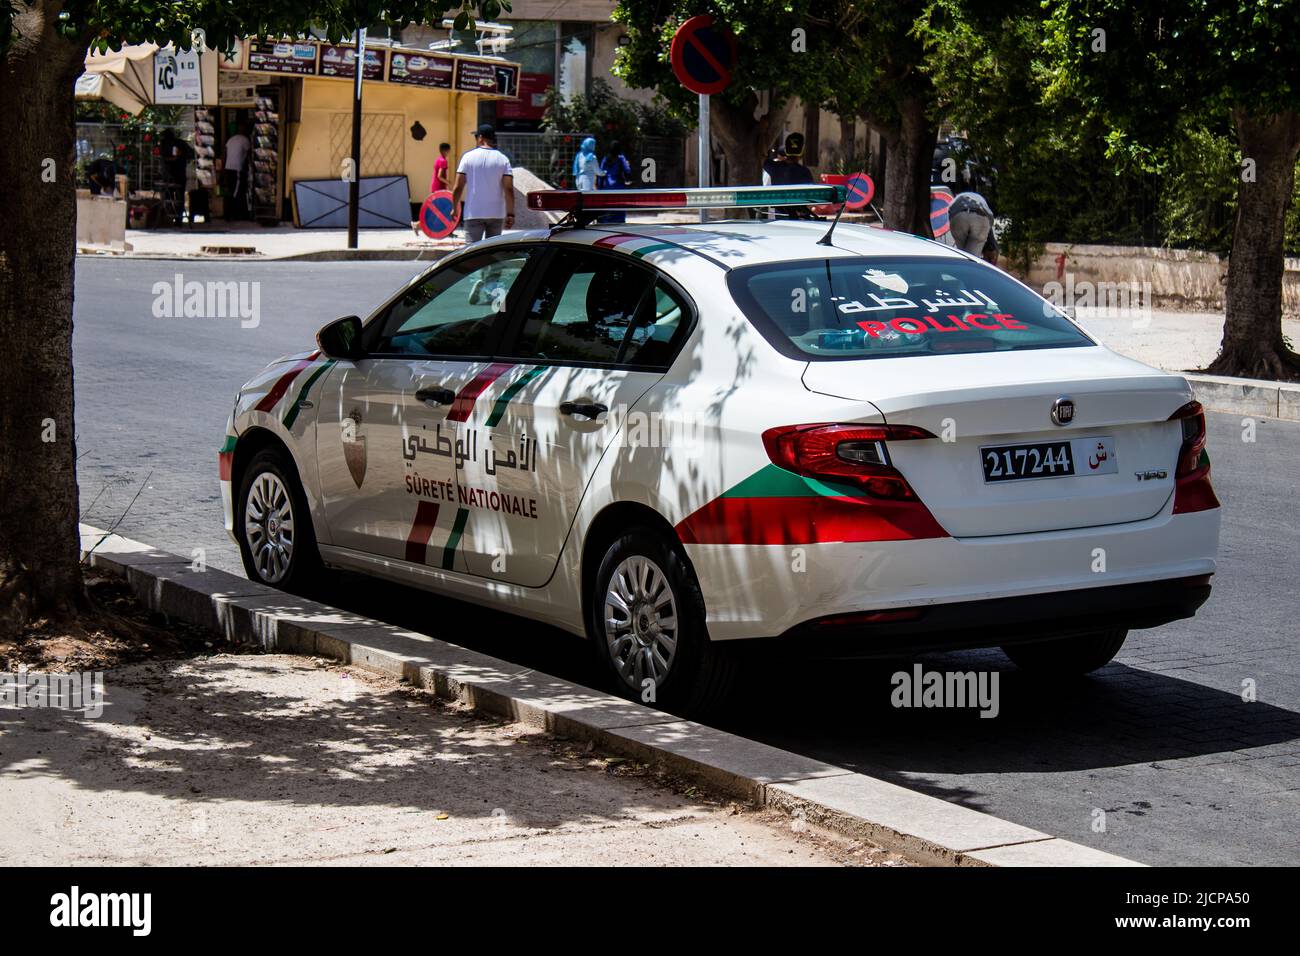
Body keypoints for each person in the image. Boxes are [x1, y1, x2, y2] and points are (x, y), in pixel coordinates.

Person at [452, 123, 515, 241]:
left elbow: (458, 187)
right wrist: (510, 213)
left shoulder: (468, 157)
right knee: (492, 252)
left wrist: (455, 208)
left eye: (476, 137)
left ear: (480, 137)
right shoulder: (503, 159)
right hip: (496, 213)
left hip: (473, 213)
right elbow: (509, 189)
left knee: (471, 253)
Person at [948, 190, 999, 263]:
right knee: (972, 258)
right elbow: (990, 224)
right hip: (980, 215)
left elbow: (950, 214)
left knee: (961, 253)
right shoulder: (981, 200)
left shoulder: (957, 199)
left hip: (958, 215)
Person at [160, 129, 192, 226]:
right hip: (173, 174)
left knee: (173, 197)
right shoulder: (165, 143)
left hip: (174, 174)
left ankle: (174, 219)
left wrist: (180, 155)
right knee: (177, 197)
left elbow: (189, 154)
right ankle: (176, 219)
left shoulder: (176, 143)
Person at [221, 121, 251, 220]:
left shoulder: (231, 140)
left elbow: (225, 153)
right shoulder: (245, 140)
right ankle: (235, 214)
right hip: (237, 168)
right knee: (237, 192)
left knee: (230, 190)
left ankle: (229, 213)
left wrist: (223, 168)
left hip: (228, 167)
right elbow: (249, 155)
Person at [598, 140, 632, 223]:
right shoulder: (621, 158)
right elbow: (627, 170)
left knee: (607, 206)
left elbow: (601, 174)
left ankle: (606, 222)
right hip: (618, 186)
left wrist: (600, 188)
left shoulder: (605, 159)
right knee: (619, 206)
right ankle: (618, 222)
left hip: (607, 187)